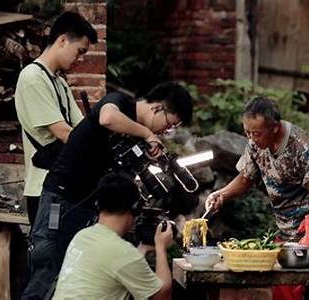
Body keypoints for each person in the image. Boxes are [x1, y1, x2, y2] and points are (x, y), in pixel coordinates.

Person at [22, 82, 193, 299]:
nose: (166, 131)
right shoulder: (119, 102)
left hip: (84, 208)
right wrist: (147, 133)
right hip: (62, 199)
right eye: (170, 125)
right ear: (158, 108)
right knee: (45, 277)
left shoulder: (133, 135)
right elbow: (107, 118)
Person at [206, 96, 309, 242]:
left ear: (275, 127)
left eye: (257, 134)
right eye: (247, 132)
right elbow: (245, 178)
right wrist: (222, 195)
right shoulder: (255, 143)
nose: (252, 138)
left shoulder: (303, 147)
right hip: (285, 229)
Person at [15, 11, 98, 227]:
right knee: (50, 256)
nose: (80, 59)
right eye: (79, 51)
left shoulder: (58, 82)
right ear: (62, 40)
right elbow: (64, 132)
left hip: (62, 187)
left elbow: (82, 128)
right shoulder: (32, 78)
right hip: (44, 189)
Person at [53, 172, 173, 300]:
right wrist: (161, 247)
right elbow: (162, 295)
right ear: (134, 208)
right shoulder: (122, 251)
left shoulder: (82, 236)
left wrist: (142, 249)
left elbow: (115, 263)